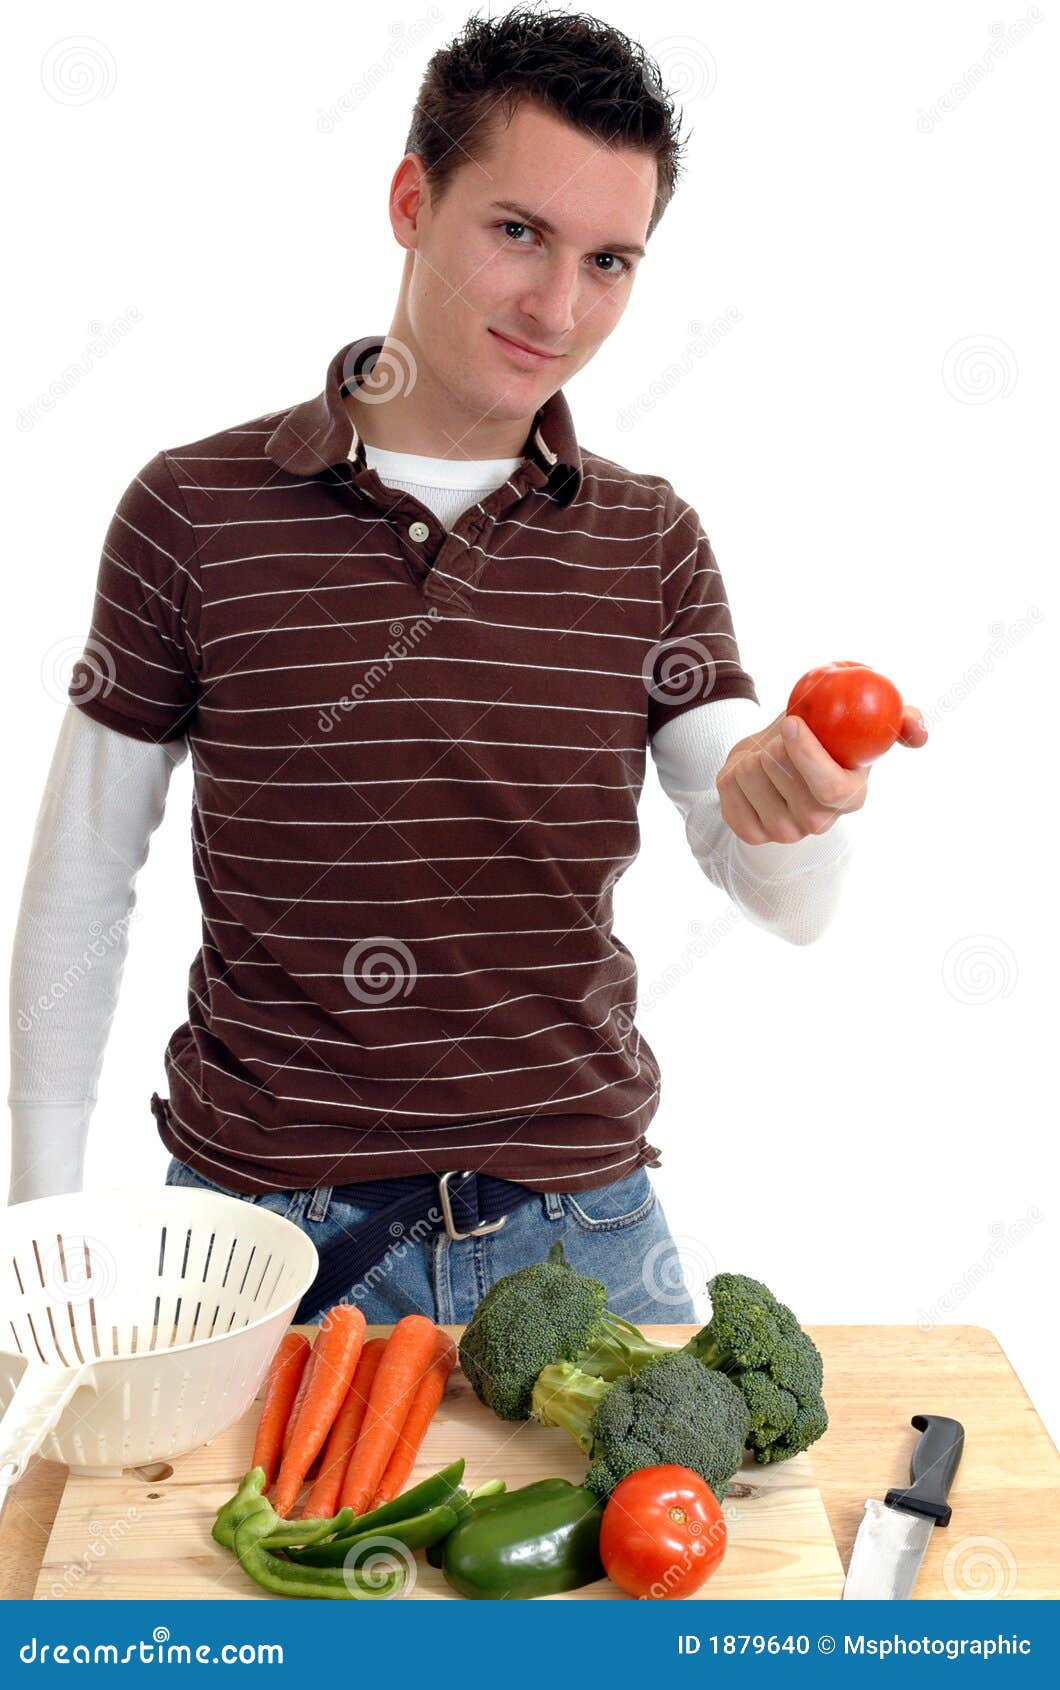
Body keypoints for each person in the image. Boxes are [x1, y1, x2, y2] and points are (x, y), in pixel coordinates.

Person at [7, 10, 925, 1326]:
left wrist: (801, 804)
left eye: (609, 259)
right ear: (409, 199)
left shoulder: (649, 537)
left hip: (589, 1239)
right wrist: (39, 1233)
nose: (560, 308)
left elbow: (787, 897)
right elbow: (85, 877)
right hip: (261, 1247)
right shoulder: (192, 507)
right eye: (518, 234)